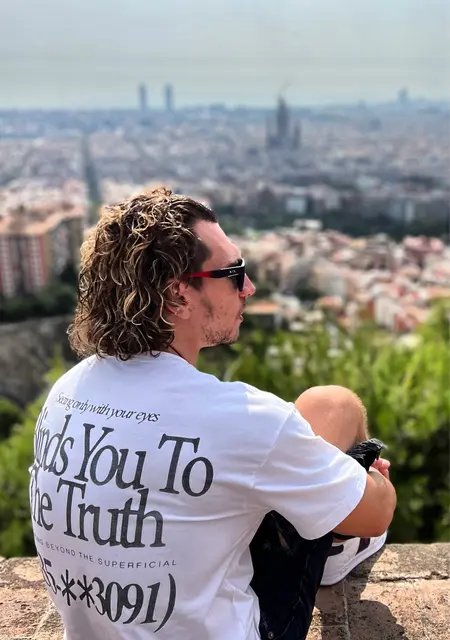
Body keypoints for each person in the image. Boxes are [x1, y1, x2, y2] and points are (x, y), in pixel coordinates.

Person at [29, 188, 396, 640]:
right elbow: (376, 515)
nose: (249, 287)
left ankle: (325, 518)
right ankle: (330, 541)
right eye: (234, 273)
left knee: (325, 407)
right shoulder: (239, 418)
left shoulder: (67, 392)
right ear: (178, 296)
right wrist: (365, 472)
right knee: (336, 406)